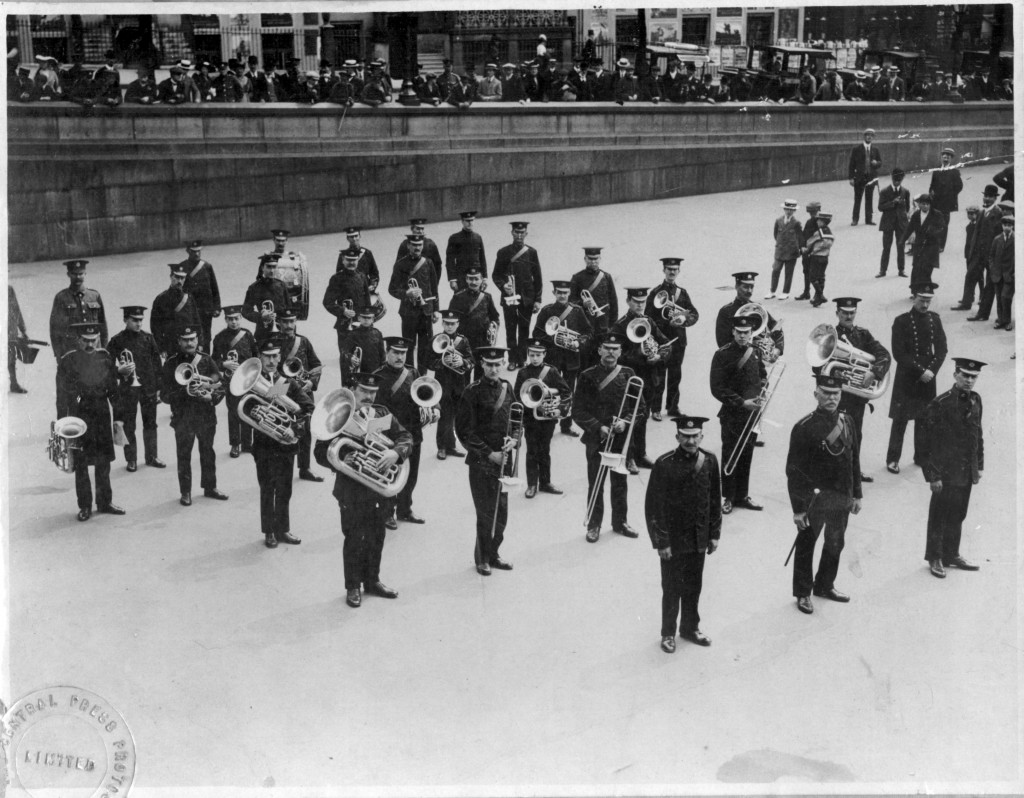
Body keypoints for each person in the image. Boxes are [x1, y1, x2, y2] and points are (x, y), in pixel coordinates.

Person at [315, 372, 412, 607]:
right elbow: (319, 453)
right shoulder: (338, 416)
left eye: (372, 392)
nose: (369, 396)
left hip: (377, 488)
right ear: (352, 390)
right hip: (351, 490)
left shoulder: (381, 414)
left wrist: (395, 453)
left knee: (377, 536)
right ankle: (352, 587)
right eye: (363, 391)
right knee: (354, 538)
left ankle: (372, 581)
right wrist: (346, 457)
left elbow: (406, 436)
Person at [786, 374, 863, 614]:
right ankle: (802, 593)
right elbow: (794, 472)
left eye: (836, 394)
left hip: (841, 497)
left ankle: (825, 584)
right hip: (814, 500)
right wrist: (798, 509)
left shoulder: (848, 420)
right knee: (807, 545)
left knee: (835, 543)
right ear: (816, 395)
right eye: (826, 393)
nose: (831, 398)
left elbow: (854, 460)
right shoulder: (804, 427)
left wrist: (856, 494)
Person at [646, 415, 722, 652]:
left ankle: (690, 628)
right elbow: (654, 507)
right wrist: (662, 541)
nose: (690, 440)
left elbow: (714, 500)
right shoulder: (664, 463)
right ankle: (668, 633)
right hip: (674, 540)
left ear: (702, 436)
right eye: (685, 436)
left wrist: (714, 534)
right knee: (671, 588)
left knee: (693, 586)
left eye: (695, 436)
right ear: (677, 436)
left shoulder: (709, 460)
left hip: (698, 537)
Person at [455, 346, 519, 575]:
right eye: (489, 364)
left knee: (501, 512)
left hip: (504, 460)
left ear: (503, 364)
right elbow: (463, 431)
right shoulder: (471, 392)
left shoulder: (507, 387)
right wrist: (489, 453)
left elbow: (516, 421)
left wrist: (514, 440)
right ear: (482, 364)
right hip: (482, 462)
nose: (494, 368)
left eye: (498, 364)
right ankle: (482, 558)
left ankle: (494, 553)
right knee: (485, 513)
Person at [572, 332, 641, 542]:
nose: (611, 352)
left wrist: (625, 422)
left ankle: (620, 522)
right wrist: (598, 427)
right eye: (607, 348)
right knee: (596, 483)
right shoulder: (587, 376)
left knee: (620, 483)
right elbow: (578, 411)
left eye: (615, 349)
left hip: (621, 440)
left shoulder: (629, 374)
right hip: (597, 438)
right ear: (599, 350)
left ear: (620, 352)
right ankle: (594, 525)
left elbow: (640, 408)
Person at [55, 323, 127, 522]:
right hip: (79, 418)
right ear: (78, 340)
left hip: (102, 415)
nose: (90, 344)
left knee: (103, 462)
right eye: (85, 341)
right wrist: (62, 425)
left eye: (93, 340)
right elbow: (61, 397)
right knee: (81, 464)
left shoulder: (105, 358)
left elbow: (114, 390)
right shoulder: (68, 361)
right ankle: (85, 506)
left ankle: (104, 502)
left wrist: (119, 417)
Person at [922, 358, 985, 578]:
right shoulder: (941, 403)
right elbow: (926, 443)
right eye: (965, 375)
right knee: (939, 514)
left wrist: (979, 465)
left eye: (973, 377)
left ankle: (951, 553)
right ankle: (935, 556)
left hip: (966, 470)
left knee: (958, 513)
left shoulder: (976, 400)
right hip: (945, 471)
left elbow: (978, 433)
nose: (969, 380)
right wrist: (933, 475)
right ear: (955, 375)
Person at [249, 336, 314, 549]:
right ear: (259, 357)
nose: (270, 360)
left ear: (280, 358)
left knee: (285, 488)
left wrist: (293, 428)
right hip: (264, 444)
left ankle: (283, 529)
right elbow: (241, 408)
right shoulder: (250, 382)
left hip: (286, 443)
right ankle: (269, 531)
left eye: (274, 356)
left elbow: (307, 407)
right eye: (266, 356)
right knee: (267, 489)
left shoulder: (287, 383)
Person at [820, 298, 890, 483]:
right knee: (833, 434)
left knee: (855, 435)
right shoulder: (829, 335)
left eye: (852, 312)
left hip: (856, 398)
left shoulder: (863, 335)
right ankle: (832, 477)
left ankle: (853, 473)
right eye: (844, 312)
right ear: (837, 313)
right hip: (835, 395)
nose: (848, 316)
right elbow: (817, 364)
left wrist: (873, 372)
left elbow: (884, 355)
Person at [161, 325, 228, 507]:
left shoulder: (206, 360)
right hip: (183, 417)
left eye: (192, 339)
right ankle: (186, 492)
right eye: (185, 339)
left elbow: (219, 386)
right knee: (184, 455)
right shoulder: (171, 363)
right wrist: (184, 392)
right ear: (179, 341)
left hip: (205, 415)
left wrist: (211, 397)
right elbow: (164, 395)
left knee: (208, 452)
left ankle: (210, 487)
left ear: (198, 340)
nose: (189, 343)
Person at [886, 282, 947, 474]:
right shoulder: (901, 321)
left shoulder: (935, 320)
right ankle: (893, 459)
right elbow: (899, 353)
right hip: (907, 376)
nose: (925, 305)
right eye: (922, 300)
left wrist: (931, 371)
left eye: (929, 301)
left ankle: (921, 456)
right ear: (914, 298)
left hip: (928, 376)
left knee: (924, 418)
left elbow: (942, 349)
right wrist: (920, 371)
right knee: (900, 419)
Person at [710, 315, 767, 515]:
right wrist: (742, 402)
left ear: (752, 333)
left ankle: (742, 495)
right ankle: (728, 497)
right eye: (739, 332)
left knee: (747, 455)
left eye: (747, 333)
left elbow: (762, 375)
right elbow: (717, 387)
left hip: (752, 415)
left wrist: (763, 390)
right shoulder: (722, 355)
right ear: (733, 332)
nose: (743, 336)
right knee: (730, 455)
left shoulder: (756, 352)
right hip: (733, 414)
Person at [612, 287, 669, 471]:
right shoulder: (620, 326)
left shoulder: (649, 321)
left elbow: (665, 344)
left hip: (649, 378)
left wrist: (659, 356)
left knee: (643, 417)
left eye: (643, 302)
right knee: (630, 418)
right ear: (628, 301)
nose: (640, 305)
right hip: (630, 379)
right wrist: (640, 354)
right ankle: (628, 457)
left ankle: (641, 454)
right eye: (636, 302)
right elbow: (615, 356)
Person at [374, 337, 427, 527]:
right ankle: (387, 512)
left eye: (403, 353)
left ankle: (405, 509)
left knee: (411, 475)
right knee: (390, 475)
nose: (399, 357)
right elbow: (375, 411)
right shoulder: (378, 376)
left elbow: (425, 392)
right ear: (387, 352)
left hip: (413, 434)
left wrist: (433, 408)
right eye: (395, 352)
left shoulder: (412, 372)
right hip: (391, 436)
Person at [108, 305, 164, 471]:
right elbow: (105, 364)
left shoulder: (148, 338)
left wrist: (159, 388)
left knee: (151, 423)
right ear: (125, 320)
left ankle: (152, 456)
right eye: (134, 320)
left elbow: (157, 364)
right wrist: (119, 371)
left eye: (140, 320)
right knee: (129, 425)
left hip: (148, 387)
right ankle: (131, 459)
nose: (138, 324)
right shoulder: (117, 340)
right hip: (128, 389)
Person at [534, 280, 593, 437]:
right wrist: (552, 337)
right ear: (554, 293)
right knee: (549, 391)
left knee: (568, 392)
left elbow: (588, 332)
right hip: (552, 358)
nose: (562, 295)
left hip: (571, 359)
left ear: (569, 294)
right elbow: (536, 334)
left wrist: (578, 342)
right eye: (559, 292)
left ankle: (566, 425)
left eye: (565, 292)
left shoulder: (577, 310)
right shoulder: (547, 311)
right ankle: (547, 423)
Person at [513, 338, 570, 497]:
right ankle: (531, 484)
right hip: (531, 419)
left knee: (544, 450)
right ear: (528, 355)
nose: (535, 358)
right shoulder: (523, 372)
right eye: (532, 355)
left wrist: (559, 409)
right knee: (531, 451)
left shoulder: (551, 371)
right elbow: (517, 396)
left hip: (547, 419)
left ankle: (545, 482)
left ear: (545, 354)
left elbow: (566, 392)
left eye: (538, 355)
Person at [645, 258, 698, 421]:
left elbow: (694, 314)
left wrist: (683, 320)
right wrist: (666, 321)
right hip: (661, 341)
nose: (672, 272)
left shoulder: (682, 293)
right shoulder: (655, 292)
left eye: (675, 269)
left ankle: (673, 407)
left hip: (679, 341)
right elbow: (648, 317)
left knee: (675, 376)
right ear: (663, 270)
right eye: (669, 269)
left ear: (679, 271)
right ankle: (655, 409)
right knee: (659, 377)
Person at [276, 309, 324, 481]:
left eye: (292, 321)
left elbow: (316, 365)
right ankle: (281, 468)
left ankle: (305, 468)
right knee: (280, 423)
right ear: (278, 323)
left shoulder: (303, 341)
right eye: (285, 321)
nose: (289, 325)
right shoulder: (273, 343)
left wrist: (312, 382)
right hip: (281, 389)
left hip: (303, 390)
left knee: (305, 428)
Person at [492, 221, 543, 370]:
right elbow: (496, 275)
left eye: (522, 233)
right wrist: (503, 286)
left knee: (524, 328)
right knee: (510, 329)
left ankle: (522, 359)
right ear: (512, 233)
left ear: (526, 234)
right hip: (509, 298)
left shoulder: (532, 252)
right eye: (516, 232)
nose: (519, 235)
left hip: (527, 298)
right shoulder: (503, 252)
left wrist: (538, 300)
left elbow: (537, 277)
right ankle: (512, 360)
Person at [389, 234, 441, 376]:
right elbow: (392, 289)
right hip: (408, 312)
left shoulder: (428, 263)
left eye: (419, 245)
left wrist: (436, 309)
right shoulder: (401, 264)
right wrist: (407, 293)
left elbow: (434, 288)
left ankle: (423, 375)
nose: (417, 247)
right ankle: (410, 375)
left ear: (422, 246)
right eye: (414, 245)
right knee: (409, 346)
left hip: (425, 311)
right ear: (408, 246)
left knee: (425, 347)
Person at [211, 305, 257, 458]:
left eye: (236, 318)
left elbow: (255, 357)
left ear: (240, 319)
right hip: (230, 380)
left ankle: (247, 443)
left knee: (247, 408)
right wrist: (223, 364)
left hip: (246, 380)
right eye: (230, 319)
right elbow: (213, 361)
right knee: (233, 412)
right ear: (225, 320)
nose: (234, 322)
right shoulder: (219, 337)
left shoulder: (248, 335)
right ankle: (235, 444)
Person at [431, 310, 473, 461]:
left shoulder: (463, 340)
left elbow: (471, 361)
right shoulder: (436, 339)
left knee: (455, 416)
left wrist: (463, 362)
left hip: (459, 384)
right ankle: (441, 447)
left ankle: (452, 446)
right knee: (444, 415)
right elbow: (428, 361)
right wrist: (442, 363)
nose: (449, 326)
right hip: (443, 384)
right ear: (442, 323)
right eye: (447, 323)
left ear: (458, 324)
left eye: (452, 324)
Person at [49, 259, 109, 361]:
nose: (78, 277)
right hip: (71, 351)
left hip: (93, 350)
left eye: (80, 274)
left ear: (85, 273)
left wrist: (103, 349)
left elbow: (103, 325)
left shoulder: (94, 296)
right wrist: (58, 354)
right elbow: (55, 329)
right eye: (74, 274)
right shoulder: (61, 298)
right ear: (68, 274)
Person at [448, 266, 501, 380]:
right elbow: (451, 320)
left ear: (482, 280)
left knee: (481, 373)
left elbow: (495, 317)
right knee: (464, 373)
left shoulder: (487, 297)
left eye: (476, 279)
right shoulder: (458, 297)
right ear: (466, 280)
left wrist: (493, 327)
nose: (473, 282)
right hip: (465, 342)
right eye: (470, 279)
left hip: (482, 341)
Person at [569, 247, 619, 366]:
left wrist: (612, 326)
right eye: (590, 259)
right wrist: (582, 304)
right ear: (585, 259)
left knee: (600, 360)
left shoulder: (606, 277)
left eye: (596, 259)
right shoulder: (577, 277)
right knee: (584, 360)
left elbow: (613, 302)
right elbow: (570, 302)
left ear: (600, 258)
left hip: (602, 326)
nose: (593, 261)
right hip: (584, 326)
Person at [714, 271, 783, 356]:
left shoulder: (757, 308)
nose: (749, 291)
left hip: (757, 360)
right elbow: (722, 342)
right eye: (746, 287)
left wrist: (778, 349)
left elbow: (777, 327)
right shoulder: (726, 311)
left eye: (752, 287)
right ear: (737, 287)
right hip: (735, 361)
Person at [323, 248, 371, 360]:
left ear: (358, 260)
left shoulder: (362, 276)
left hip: (362, 324)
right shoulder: (336, 278)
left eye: (354, 260)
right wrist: (342, 311)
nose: (351, 263)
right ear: (343, 260)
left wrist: (369, 321)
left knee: (364, 359)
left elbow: (367, 301)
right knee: (346, 359)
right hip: (345, 326)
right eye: (348, 260)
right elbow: (327, 302)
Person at [967, 186, 1006, 321]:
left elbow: (1000, 236)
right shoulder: (982, 213)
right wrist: (973, 252)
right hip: (979, 254)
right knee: (972, 274)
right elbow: (976, 235)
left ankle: (983, 314)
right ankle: (971, 304)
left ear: (995, 198)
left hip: (991, 256)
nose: (987, 198)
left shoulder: (998, 213)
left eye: (990, 196)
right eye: (986, 196)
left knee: (990, 285)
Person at [176, 239, 222, 346]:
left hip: (206, 311)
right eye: (193, 251)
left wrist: (217, 307)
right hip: (190, 311)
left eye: (198, 251)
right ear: (188, 251)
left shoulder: (207, 266)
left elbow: (214, 288)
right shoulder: (182, 267)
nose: (196, 254)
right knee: (190, 337)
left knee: (206, 337)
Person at [151, 263, 203, 356]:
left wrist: (200, 342)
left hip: (189, 342)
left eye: (182, 278)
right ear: (171, 277)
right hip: (171, 345)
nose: (179, 281)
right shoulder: (161, 299)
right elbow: (155, 326)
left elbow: (197, 321)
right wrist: (162, 348)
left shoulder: (189, 298)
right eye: (177, 277)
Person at [242, 254, 292, 343]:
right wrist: (261, 316)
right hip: (263, 331)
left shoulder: (281, 285)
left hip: (282, 331)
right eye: (269, 267)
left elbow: (289, 309)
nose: (272, 270)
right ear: (262, 268)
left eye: (274, 267)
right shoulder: (254, 287)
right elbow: (245, 311)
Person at [901, 193, 947, 289]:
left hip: (931, 247)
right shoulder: (916, 215)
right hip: (919, 247)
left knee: (926, 270)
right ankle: (915, 291)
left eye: (927, 204)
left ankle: (925, 291)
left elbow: (942, 228)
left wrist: (933, 232)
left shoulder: (936, 214)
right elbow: (909, 228)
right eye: (923, 204)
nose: (925, 206)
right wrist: (902, 240)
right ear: (919, 204)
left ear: (930, 204)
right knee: (916, 268)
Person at [876, 168, 911, 277]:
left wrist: (904, 216)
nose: (897, 182)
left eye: (899, 181)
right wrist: (892, 203)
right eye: (895, 180)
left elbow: (907, 208)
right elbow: (880, 207)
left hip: (900, 224)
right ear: (892, 178)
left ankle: (901, 270)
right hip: (888, 223)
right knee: (886, 247)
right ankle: (882, 271)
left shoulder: (906, 192)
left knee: (900, 247)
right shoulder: (884, 191)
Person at [340, 305, 385, 389]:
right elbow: (345, 351)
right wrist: (351, 357)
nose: (366, 320)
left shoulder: (377, 333)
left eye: (369, 318)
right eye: (363, 317)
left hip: (374, 370)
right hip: (360, 371)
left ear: (373, 319)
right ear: (359, 318)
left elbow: (382, 355)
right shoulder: (353, 334)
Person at [928, 147, 964, 250]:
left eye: (948, 156)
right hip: (936, 201)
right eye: (944, 156)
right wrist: (931, 191)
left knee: (944, 224)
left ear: (951, 159)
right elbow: (932, 185)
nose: (945, 158)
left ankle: (941, 246)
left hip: (947, 203)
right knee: (934, 222)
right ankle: (934, 243)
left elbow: (959, 186)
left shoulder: (954, 171)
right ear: (941, 157)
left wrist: (950, 195)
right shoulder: (936, 171)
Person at [768, 199, 803, 299]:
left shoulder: (796, 223)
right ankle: (772, 291)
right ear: (784, 209)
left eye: (791, 209)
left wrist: (799, 248)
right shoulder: (778, 220)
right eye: (787, 209)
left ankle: (785, 292)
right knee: (775, 270)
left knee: (788, 273)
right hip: (780, 251)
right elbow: (776, 234)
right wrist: (781, 244)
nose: (789, 211)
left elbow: (800, 237)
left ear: (794, 211)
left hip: (791, 252)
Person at [445, 211, 488, 293]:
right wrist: (452, 279)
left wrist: (485, 278)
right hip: (461, 276)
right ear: (462, 221)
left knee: (478, 300)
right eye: (467, 221)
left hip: (476, 276)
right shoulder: (454, 238)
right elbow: (450, 260)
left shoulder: (478, 237)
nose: (470, 223)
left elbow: (482, 258)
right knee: (461, 300)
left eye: (472, 220)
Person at [848, 128, 882, 226]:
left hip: (870, 178)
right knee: (857, 200)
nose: (869, 137)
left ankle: (869, 219)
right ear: (864, 136)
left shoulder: (875, 150)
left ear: (873, 137)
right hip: (859, 178)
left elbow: (880, 163)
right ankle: (855, 219)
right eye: (867, 135)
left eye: (871, 135)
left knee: (869, 199)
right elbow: (851, 164)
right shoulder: (857, 149)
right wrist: (851, 178)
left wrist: (876, 163)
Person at [804, 210, 835, 307]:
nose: (817, 222)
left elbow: (809, 243)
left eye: (819, 220)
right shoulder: (829, 232)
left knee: (812, 277)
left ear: (822, 222)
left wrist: (806, 250)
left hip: (816, 257)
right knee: (821, 277)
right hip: (825, 257)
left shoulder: (818, 232)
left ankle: (820, 295)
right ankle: (817, 299)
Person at [989, 213, 1015, 330]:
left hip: (1010, 274)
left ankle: (1007, 321)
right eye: (1005, 225)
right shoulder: (997, 239)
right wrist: (992, 268)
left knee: (1006, 297)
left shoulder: (1016, 239)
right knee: (999, 298)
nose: (1007, 227)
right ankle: (1001, 320)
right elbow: (991, 255)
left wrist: (1015, 272)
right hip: (997, 274)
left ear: (1013, 226)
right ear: (1002, 226)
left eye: (1009, 225)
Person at [795, 202, 821, 300]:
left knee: (816, 274)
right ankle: (807, 292)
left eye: (814, 213)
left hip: (814, 253)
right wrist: (802, 247)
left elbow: (819, 240)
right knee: (806, 271)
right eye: (811, 213)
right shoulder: (809, 222)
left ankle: (818, 294)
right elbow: (804, 236)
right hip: (806, 252)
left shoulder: (820, 223)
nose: (813, 215)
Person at [8, 285, 29, 394]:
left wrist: (23, 330)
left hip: (10, 331)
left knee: (11, 358)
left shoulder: (9, 289)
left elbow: (16, 309)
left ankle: (14, 383)